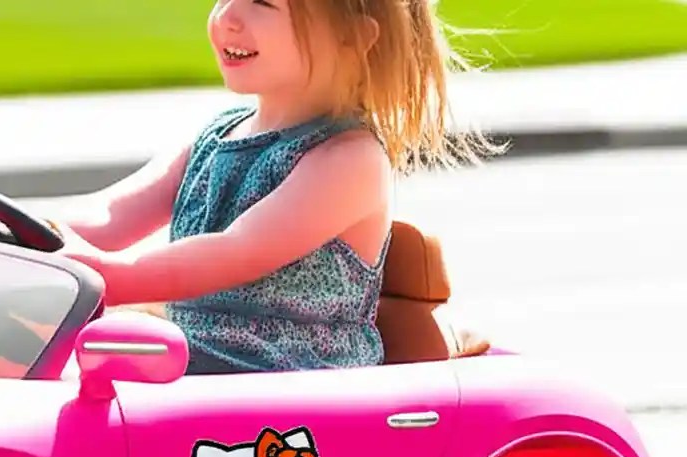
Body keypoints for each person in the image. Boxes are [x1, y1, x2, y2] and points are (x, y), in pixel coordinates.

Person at [47, 0, 496, 374]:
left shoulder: (348, 159)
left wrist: (109, 277)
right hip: (205, 361)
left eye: (262, 3)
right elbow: (109, 214)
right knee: (66, 347)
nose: (227, 17)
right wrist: (23, 231)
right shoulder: (217, 137)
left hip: (289, 378)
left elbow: (236, 251)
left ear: (353, 38)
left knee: (106, 354)